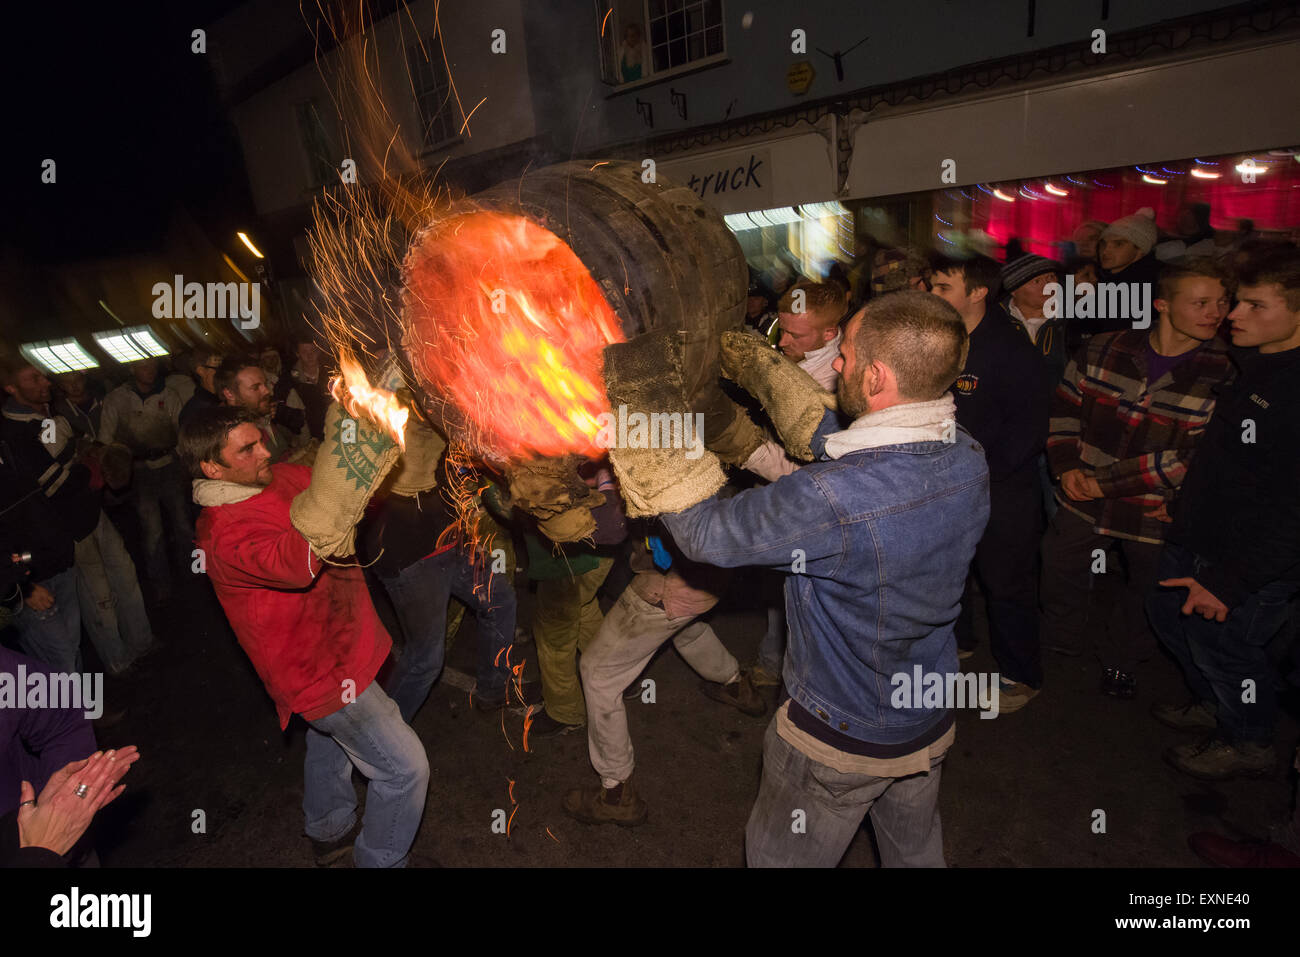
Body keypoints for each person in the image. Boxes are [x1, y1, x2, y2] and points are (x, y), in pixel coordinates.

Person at [598, 290, 989, 865]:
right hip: (924, 719)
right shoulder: (965, 454)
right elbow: (848, 442)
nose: (837, 364)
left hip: (838, 741)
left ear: (877, 376)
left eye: (848, 357)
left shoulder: (832, 499)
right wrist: (762, 370)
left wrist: (646, 416)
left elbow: (705, 534)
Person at [179, 402, 428, 867]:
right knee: (404, 769)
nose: (265, 452)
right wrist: (340, 485)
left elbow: (344, 500)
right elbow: (298, 563)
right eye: (247, 449)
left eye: (261, 439)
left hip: (343, 643)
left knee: (328, 741)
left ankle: (328, 828)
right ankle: (383, 861)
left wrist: (376, 455)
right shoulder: (222, 536)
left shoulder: (275, 478)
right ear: (212, 467)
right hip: (319, 673)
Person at [1042, 258, 1234, 700]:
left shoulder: (1226, 370)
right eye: (1201, 302)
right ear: (1162, 304)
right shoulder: (1104, 347)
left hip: (1157, 505)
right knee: (1060, 567)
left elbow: (1196, 456)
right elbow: (1065, 409)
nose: (1215, 312)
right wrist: (1068, 467)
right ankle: (1061, 640)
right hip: (1080, 491)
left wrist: (1100, 482)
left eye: (1222, 302)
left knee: (1146, 590)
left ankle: (1122, 660)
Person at [1147, 246, 1300, 779]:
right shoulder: (1256, 362)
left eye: (1255, 306)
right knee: (1171, 620)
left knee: (1227, 649)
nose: (1232, 315)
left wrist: (1231, 582)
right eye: (1238, 302)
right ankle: (1218, 703)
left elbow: (1292, 514)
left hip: (1249, 564)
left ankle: (1249, 737)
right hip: (1201, 537)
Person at [930, 256, 1049, 706]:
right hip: (946, 485)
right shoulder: (943, 341)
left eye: (943, 288)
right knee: (949, 572)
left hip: (1001, 491)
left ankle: (1022, 674)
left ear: (978, 292)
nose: (932, 295)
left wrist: (978, 476)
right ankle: (959, 642)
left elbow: (1029, 431)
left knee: (1006, 583)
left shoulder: (1012, 352)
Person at [1, 361, 153, 675]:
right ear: (11, 388)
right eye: (33, 378)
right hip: (67, 528)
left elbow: (70, 457)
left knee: (123, 575)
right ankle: (118, 661)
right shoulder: (14, 433)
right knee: (98, 596)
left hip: (88, 513)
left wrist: (87, 456)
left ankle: (142, 642)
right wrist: (94, 468)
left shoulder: (48, 417)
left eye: (43, 375)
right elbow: (56, 484)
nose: (45, 382)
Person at [98, 357, 191, 605]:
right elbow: (106, 441)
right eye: (142, 365)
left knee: (184, 525)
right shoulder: (117, 399)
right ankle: (162, 586)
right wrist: (116, 474)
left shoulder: (169, 395)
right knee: (153, 531)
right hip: (138, 471)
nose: (148, 370)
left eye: (151, 365)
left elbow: (181, 432)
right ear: (131, 368)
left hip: (168, 464)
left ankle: (193, 577)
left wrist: (183, 465)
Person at [214, 356, 311, 464]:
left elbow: (284, 452)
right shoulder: (228, 436)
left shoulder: (259, 414)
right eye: (255, 388)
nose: (267, 391)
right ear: (229, 394)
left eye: (265, 384)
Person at [178, 346, 223, 429]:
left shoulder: (227, 398)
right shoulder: (195, 412)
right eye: (218, 368)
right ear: (201, 371)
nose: (224, 373)